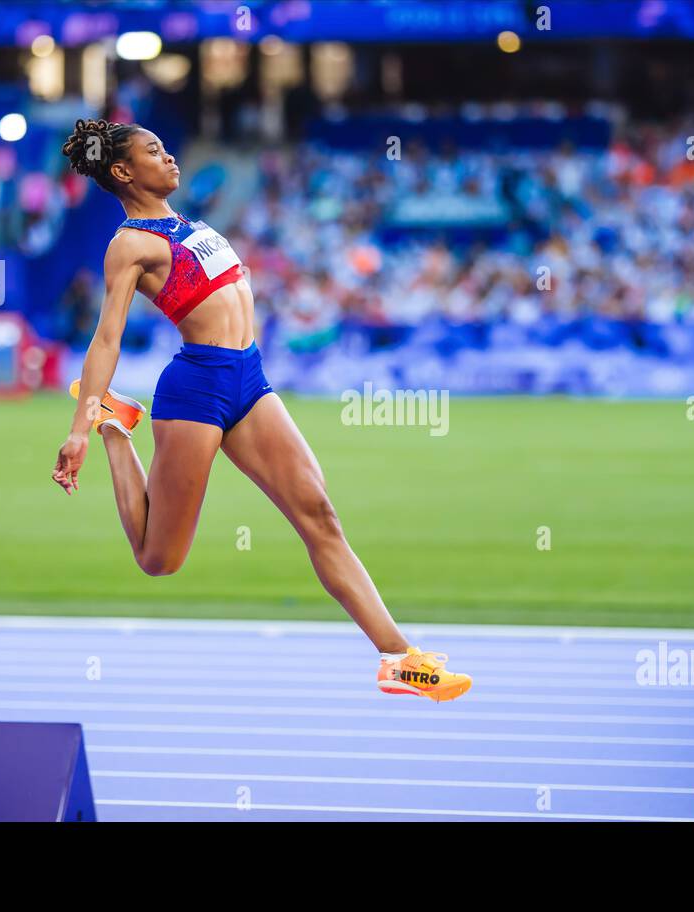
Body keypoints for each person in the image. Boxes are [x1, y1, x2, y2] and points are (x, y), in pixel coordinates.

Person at [51, 119, 471, 702]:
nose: (170, 156)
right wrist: (79, 427)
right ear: (122, 172)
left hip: (249, 378)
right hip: (196, 390)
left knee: (319, 514)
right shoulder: (131, 245)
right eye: (154, 151)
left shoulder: (188, 223)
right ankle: (115, 430)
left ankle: (399, 658)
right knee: (158, 559)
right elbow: (106, 339)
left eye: (168, 145)